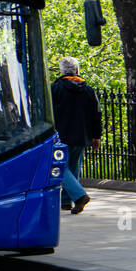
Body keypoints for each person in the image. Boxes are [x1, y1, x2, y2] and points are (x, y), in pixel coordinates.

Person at [51, 56, 101, 214]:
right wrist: (96, 136)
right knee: (73, 167)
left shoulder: (55, 88)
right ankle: (67, 202)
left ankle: (79, 196)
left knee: (59, 167)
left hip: (61, 135)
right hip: (82, 136)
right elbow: (96, 115)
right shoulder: (88, 90)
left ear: (62, 71)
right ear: (77, 70)